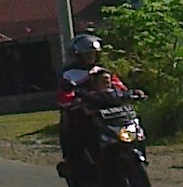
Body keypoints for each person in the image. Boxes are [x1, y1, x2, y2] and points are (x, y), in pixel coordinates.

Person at [57, 34, 133, 172]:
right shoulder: (69, 73)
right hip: (83, 111)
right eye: (86, 55)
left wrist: (130, 94)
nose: (90, 57)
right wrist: (72, 100)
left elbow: (119, 86)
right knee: (70, 126)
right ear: (78, 55)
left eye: (93, 54)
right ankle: (74, 163)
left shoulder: (103, 71)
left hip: (106, 110)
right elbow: (64, 94)